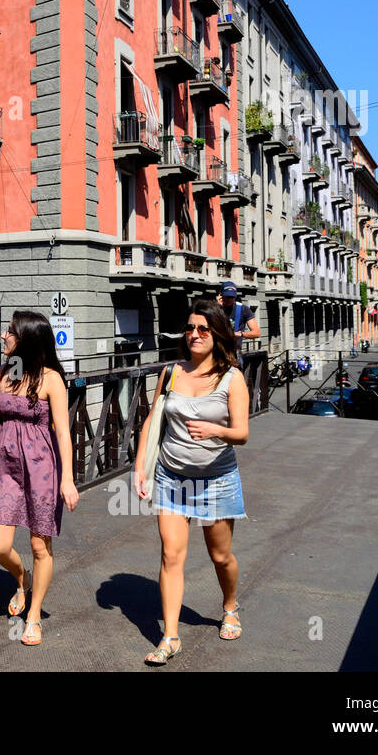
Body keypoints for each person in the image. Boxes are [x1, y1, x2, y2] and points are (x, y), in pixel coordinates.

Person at [133, 298, 250, 666]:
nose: (194, 334)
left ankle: (229, 605)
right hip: (171, 476)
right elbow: (152, 420)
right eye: (189, 328)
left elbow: (243, 433)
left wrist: (216, 429)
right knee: (171, 555)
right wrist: (139, 467)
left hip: (217, 479)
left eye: (203, 328)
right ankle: (170, 637)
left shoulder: (232, 377)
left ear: (217, 334)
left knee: (220, 556)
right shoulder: (170, 372)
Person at [0, 311, 79, 646]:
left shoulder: (52, 379)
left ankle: (35, 614)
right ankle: (21, 577)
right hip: (6, 467)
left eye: (9, 332)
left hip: (42, 467)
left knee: (40, 545)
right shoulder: (6, 371)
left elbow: (64, 434)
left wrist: (67, 479)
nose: (3, 336)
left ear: (26, 339)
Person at [218, 281, 259, 351]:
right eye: (227, 296)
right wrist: (216, 307)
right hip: (216, 352)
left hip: (234, 353)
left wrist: (240, 334)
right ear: (221, 295)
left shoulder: (243, 309)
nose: (229, 299)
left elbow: (257, 333)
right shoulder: (214, 308)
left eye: (232, 297)